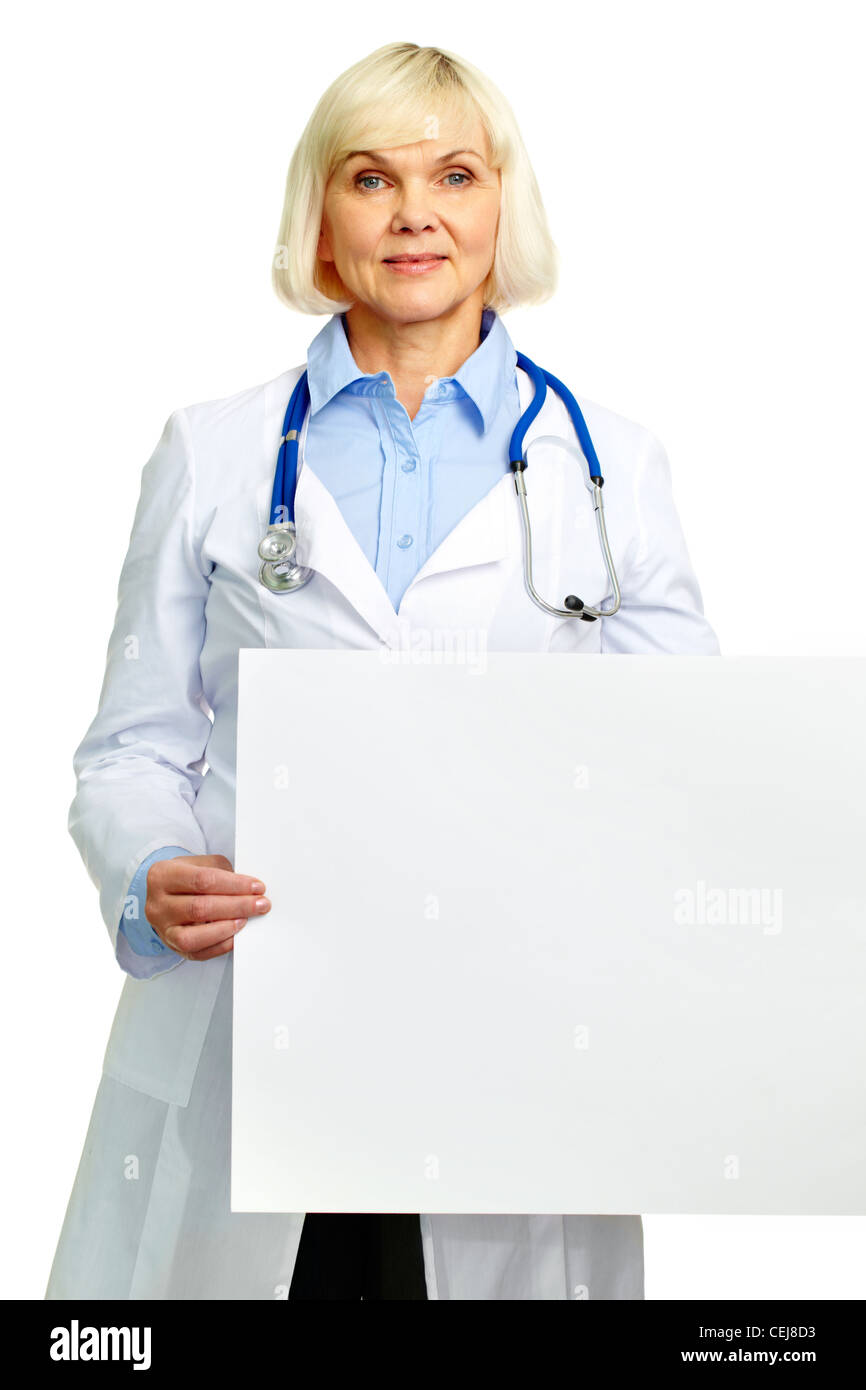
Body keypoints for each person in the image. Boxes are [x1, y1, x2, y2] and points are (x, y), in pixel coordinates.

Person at [46, 40, 719, 1301]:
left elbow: (680, 755)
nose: (413, 213)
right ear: (320, 222)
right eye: (369, 178)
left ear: (498, 209)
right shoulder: (215, 452)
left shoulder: (610, 465)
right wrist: (150, 871)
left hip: (511, 1042)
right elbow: (132, 744)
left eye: (452, 174)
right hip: (255, 1037)